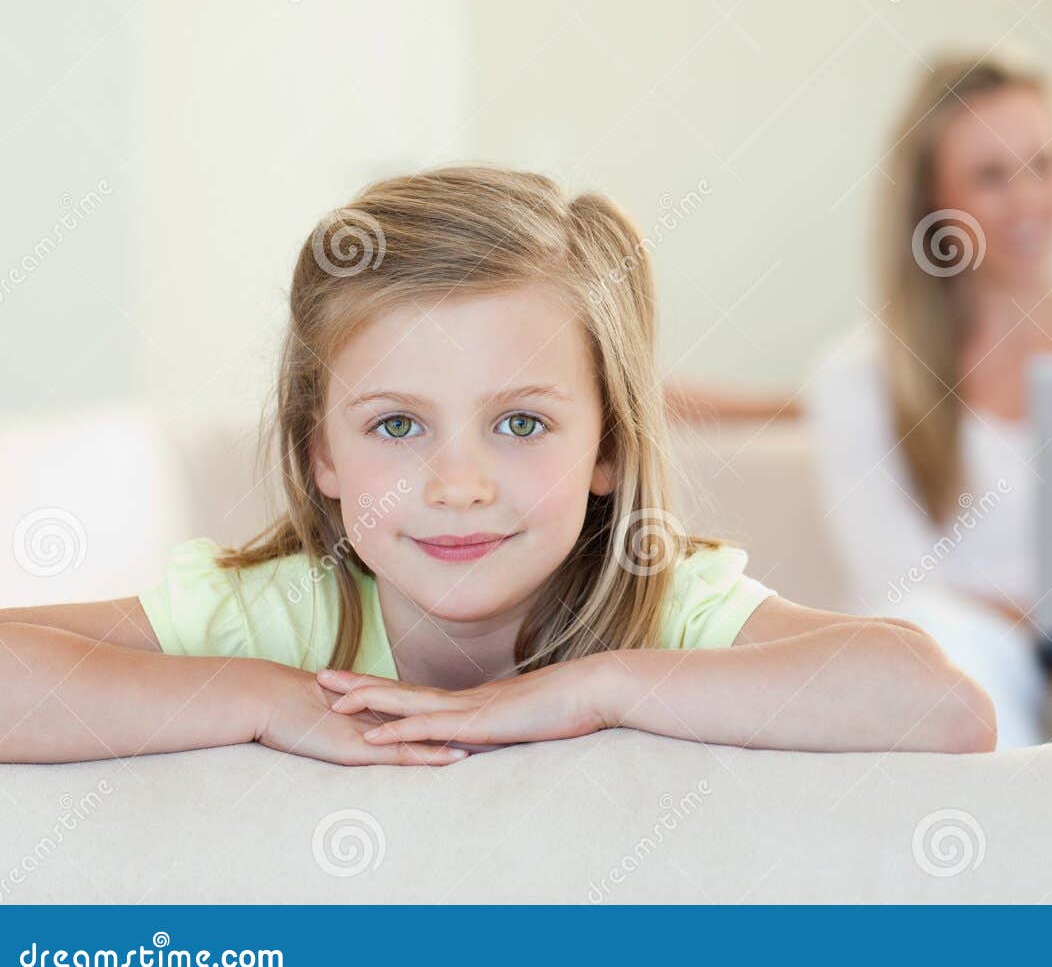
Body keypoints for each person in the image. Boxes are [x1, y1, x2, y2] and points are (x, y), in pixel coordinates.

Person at [0, 166, 995, 765]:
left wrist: (596, 688)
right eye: (397, 426)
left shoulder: (662, 604)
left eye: (519, 424)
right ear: (321, 453)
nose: (458, 483)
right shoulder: (286, 613)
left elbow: (939, 701)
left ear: (607, 445)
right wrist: (262, 696)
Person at [805, 50, 1052, 749]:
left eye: (1045, 165)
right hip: (937, 669)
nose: (1027, 200)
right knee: (931, 641)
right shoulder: (857, 378)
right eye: (991, 176)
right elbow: (899, 590)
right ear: (933, 198)